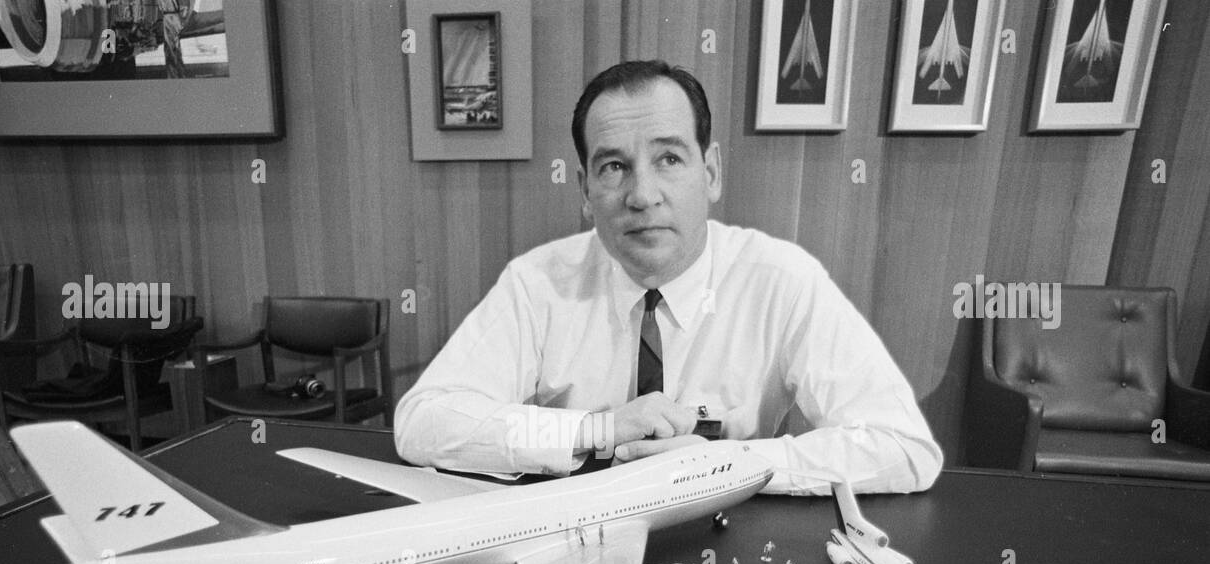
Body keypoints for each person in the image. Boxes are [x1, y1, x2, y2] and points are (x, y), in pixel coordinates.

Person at [395, 60, 942, 494]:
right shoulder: (538, 282)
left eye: (670, 160)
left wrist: (723, 464)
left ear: (711, 173)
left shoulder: (781, 280)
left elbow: (905, 447)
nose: (642, 195)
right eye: (614, 167)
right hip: (576, 533)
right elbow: (423, 421)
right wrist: (595, 431)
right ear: (585, 191)